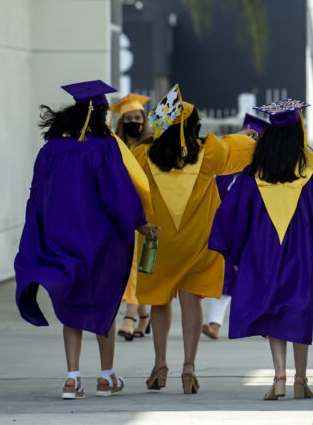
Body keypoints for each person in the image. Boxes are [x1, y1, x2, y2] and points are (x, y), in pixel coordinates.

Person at [14, 80, 159, 399]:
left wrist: (37, 230)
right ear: (100, 115)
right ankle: (106, 377)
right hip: (100, 242)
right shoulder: (104, 146)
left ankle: (72, 378)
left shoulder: (51, 149)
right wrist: (139, 223)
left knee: (72, 305)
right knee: (102, 303)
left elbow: (36, 193)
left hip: (60, 239)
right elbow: (117, 195)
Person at [209, 99, 313, 400]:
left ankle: (279, 375)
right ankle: (301, 379)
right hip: (304, 252)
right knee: (299, 309)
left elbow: (233, 214)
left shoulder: (255, 172)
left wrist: (233, 253)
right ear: (298, 131)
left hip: (263, 252)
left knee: (273, 309)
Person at [133, 84, 255, 394]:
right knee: (191, 301)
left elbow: (126, 184)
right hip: (198, 241)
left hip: (157, 241)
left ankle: (160, 364)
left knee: (159, 301)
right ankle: (189, 367)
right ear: (193, 125)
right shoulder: (209, 152)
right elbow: (239, 149)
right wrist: (251, 136)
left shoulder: (143, 154)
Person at [202, 113, 270, 340]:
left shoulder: (265, 170)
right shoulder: (227, 168)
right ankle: (215, 323)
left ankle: (263, 320)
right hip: (232, 230)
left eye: (254, 139)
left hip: (257, 232)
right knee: (227, 277)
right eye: (246, 138)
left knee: (259, 275)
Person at [109, 93, 153, 341]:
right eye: (129, 118)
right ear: (121, 121)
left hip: (146, 211)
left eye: (138, 117)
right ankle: (144, 316)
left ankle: (129, 316)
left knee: (138, 264)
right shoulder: (115, 146)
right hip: (122, 211)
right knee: (132, 263)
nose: (134, 121)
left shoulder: (151, 147)